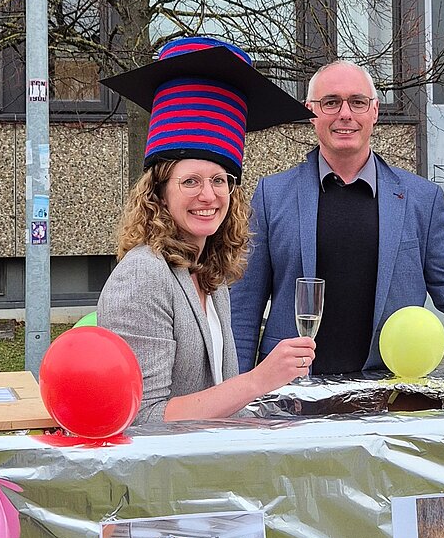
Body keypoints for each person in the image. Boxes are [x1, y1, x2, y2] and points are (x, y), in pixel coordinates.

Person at [230, 60, 444, 376]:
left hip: (387, 390)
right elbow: (245, 304)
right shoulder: (273, 194)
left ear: (375, 111)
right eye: (331, 102)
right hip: (291, 392)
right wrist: (234, 395)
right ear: (311, 111)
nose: (345, 114)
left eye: (357, 102)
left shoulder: (421, 199)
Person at [98, 36, 317, 423]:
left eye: (219, 180)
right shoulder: (142, 275)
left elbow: (217, 393)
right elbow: (142, 417)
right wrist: (258, 381)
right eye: (190, 181)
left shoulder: (209, 276)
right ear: (160, 192)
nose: (208, 195)